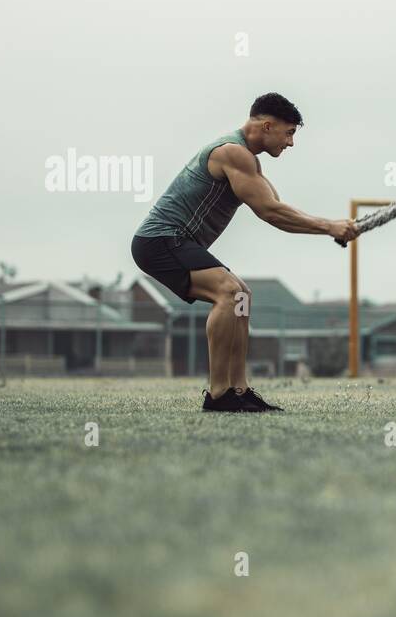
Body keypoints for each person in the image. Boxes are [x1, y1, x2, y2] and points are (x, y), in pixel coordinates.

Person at [130, 93, 358, 411]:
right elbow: (270, 212)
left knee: (241, 296)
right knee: (228, 292)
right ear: (267, 126)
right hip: (160, 240)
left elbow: (277, 211)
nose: (291, 143)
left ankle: (238, 390)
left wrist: (329, 227)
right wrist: (329, 227)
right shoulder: (233, 153)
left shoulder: (249, 159)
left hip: (176, 242)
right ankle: (219, 393)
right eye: (289, 133)